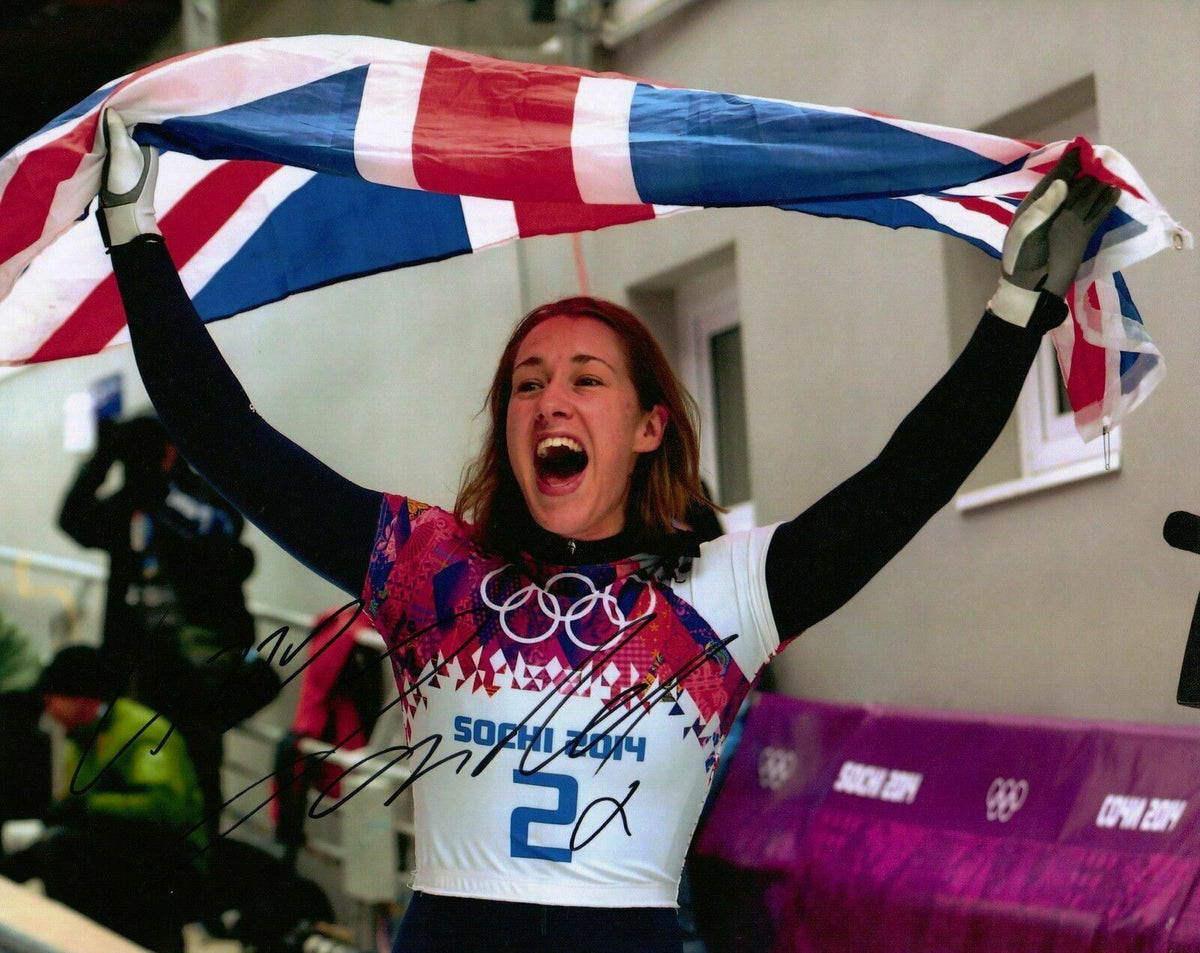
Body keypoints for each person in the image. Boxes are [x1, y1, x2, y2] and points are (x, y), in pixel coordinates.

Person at [93, 109, 1117, 953]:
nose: (550, 402)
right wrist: (137, 243)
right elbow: (229, 437)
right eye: (527, 384)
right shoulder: (423, 564)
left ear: (647, 425)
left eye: (586, 379)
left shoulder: (729, 588)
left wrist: (1018, 306)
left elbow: (908, 480)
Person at [0, 644, 208, 951]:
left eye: (51, 701)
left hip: (170, 863)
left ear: (81, 700)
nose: (47, 711)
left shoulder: (143, 733)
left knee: (61, 848)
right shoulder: (82, 736)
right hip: (123, 851)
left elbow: (166, 808)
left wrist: (88, 808)